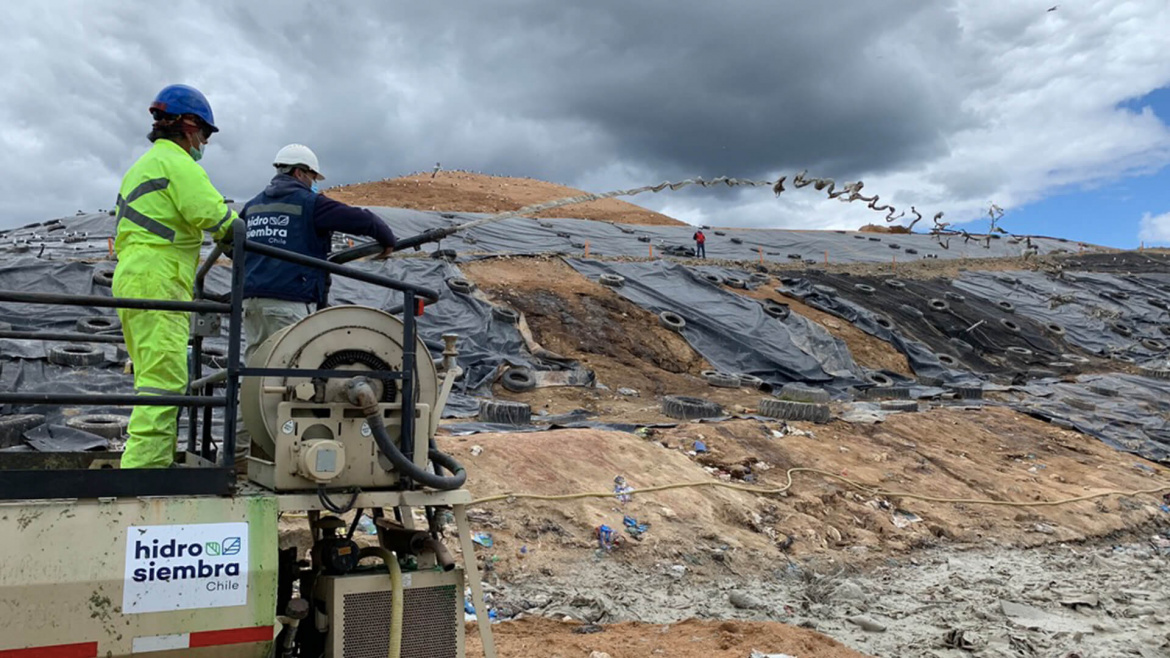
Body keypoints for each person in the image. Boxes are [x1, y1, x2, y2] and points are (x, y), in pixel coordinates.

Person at [235, 144, 397, 462]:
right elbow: (361, 219)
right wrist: (387, 239)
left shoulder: (252, 207)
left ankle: (240, 454)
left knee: (253, 380)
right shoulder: (309, 203)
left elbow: (233, 246)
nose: (313, 183)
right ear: (299, 172)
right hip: (292, 302)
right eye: (311, 176)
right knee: (296, 382)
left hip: (253, 303)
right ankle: (292, 456)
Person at [113, 84, 238, 469]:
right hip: (159, 277)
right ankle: (143, 479)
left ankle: (155, 466)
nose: (204, 143)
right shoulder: (177, 164)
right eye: (205, 134)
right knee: (163, 382)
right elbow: (215, 215)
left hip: (135, 275)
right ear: (190, 126)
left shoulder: (144, 164)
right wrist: (239, 238)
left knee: (155, 375)